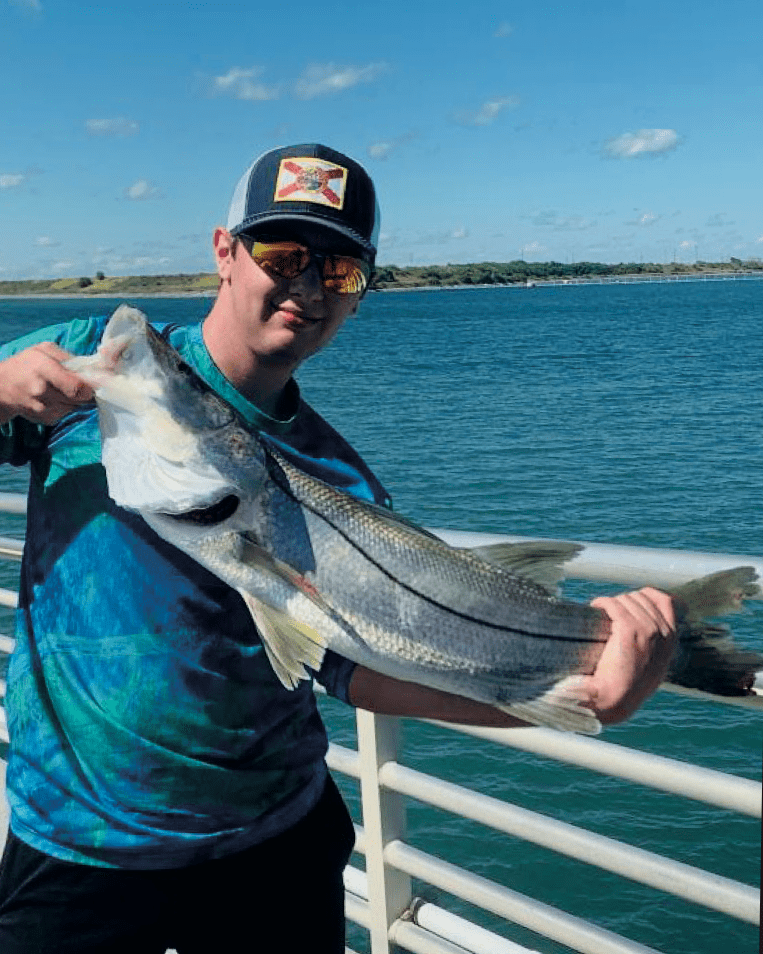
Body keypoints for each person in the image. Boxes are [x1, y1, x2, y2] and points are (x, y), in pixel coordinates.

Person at [0, 144, 676, 953]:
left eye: (341, 271)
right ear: (224, 252)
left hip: (275, 843)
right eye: (282, 255)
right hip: (78, 842)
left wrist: (572, 705)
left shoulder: (341, 480)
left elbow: (352, 668)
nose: (308, 286)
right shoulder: (92, 366)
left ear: (360, 294)